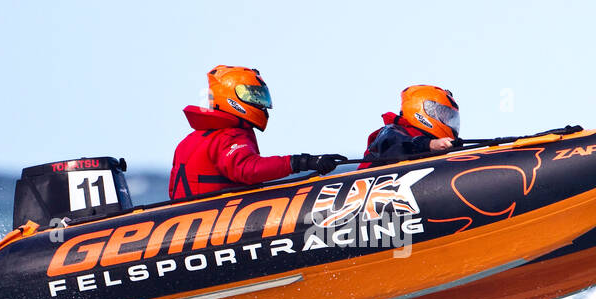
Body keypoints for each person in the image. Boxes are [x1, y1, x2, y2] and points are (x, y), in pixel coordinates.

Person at [169, 65, 346, 200]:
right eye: (253, 96)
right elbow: (248, 169)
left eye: (260, 96)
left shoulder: (190, 140)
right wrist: (304, 162)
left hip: (191, 221)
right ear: (231, 98)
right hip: (215, 221)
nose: (260, 103)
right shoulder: (230, 135)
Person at [358, 84, 460, 168]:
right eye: (443, 114)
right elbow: (396, 141)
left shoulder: (429, 150)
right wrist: (429, 144)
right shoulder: (392, 131)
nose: (448, 121)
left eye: (449, 117)